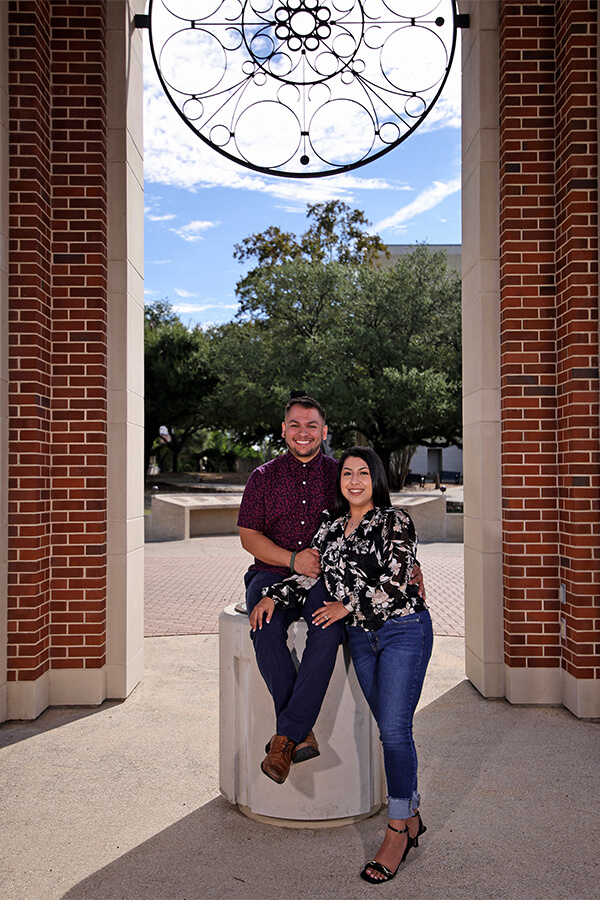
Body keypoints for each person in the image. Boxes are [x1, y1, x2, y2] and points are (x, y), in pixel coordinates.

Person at [250, 446, 433, 884]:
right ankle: (412, 816)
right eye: (347, 473)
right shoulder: (329, 530)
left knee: (393, 730)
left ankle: (395, 833)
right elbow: (310, 577)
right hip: (361, 639)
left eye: (363, 473)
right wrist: (273, 596)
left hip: (402, 629)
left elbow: (394, 579)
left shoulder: (395, 521)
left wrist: (345, 606)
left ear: (377, 480)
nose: (354, 480)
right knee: (392, 728)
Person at [237, 396, 344, 785]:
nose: (303, 432)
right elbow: (249, 536)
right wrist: (293, 559)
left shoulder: (341, 476)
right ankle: (299, 732)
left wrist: (410, 564)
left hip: (323, 579)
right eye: (295, 425)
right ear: (283, 430)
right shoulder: (262, 477)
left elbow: (374, 521)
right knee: (263, 627)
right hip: (270, 573)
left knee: (328, 627)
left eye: (312, 425)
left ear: (324, 431)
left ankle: (285, 737)